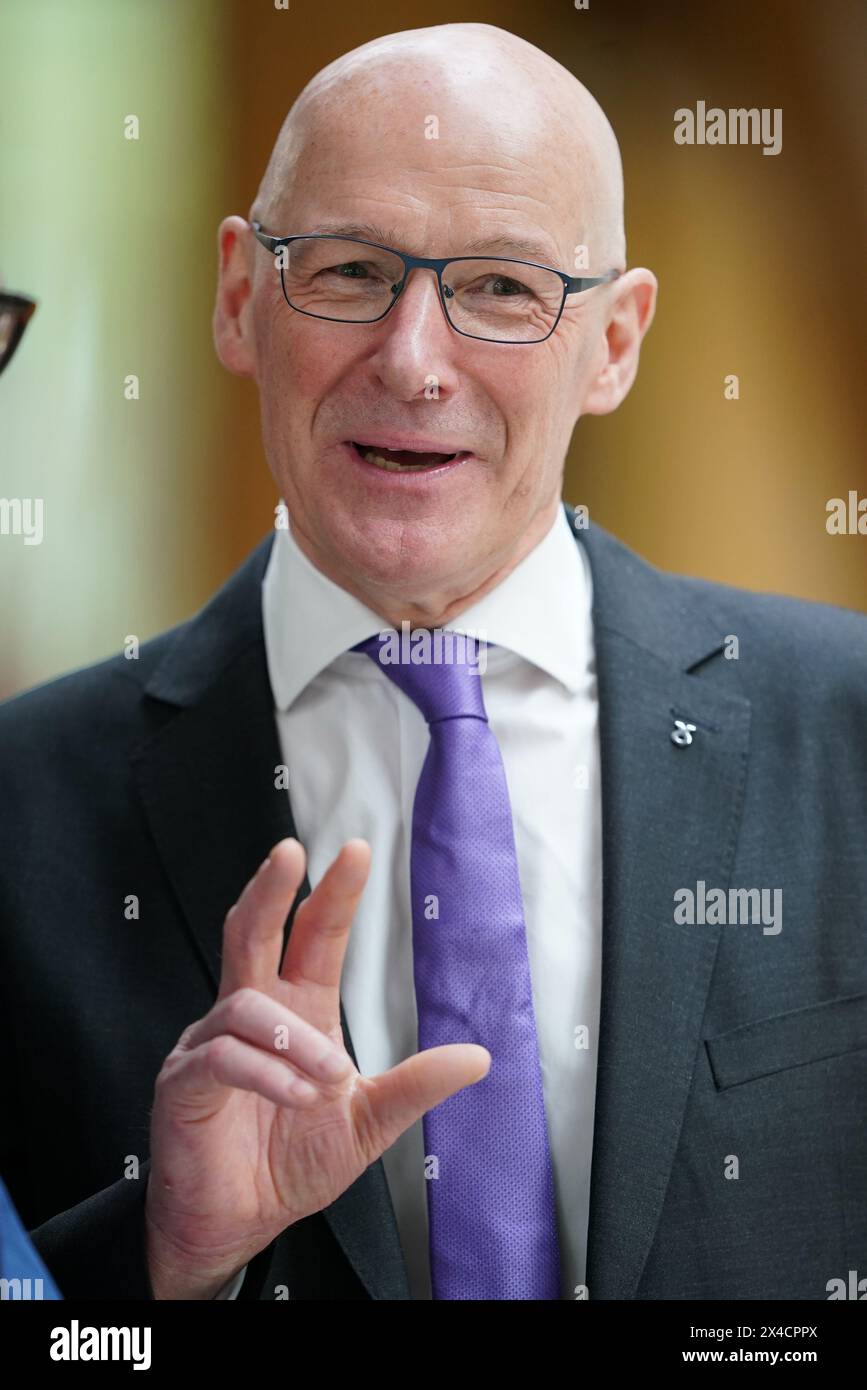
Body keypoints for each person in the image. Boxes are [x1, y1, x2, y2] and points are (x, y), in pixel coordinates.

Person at [1, 23, 865, 1302]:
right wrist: (167, 1267)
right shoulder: (24, 800)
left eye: (503, 289)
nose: (412, 363)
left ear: (616, 342)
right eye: (349, 271)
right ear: (240, 297)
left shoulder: (843, 730)